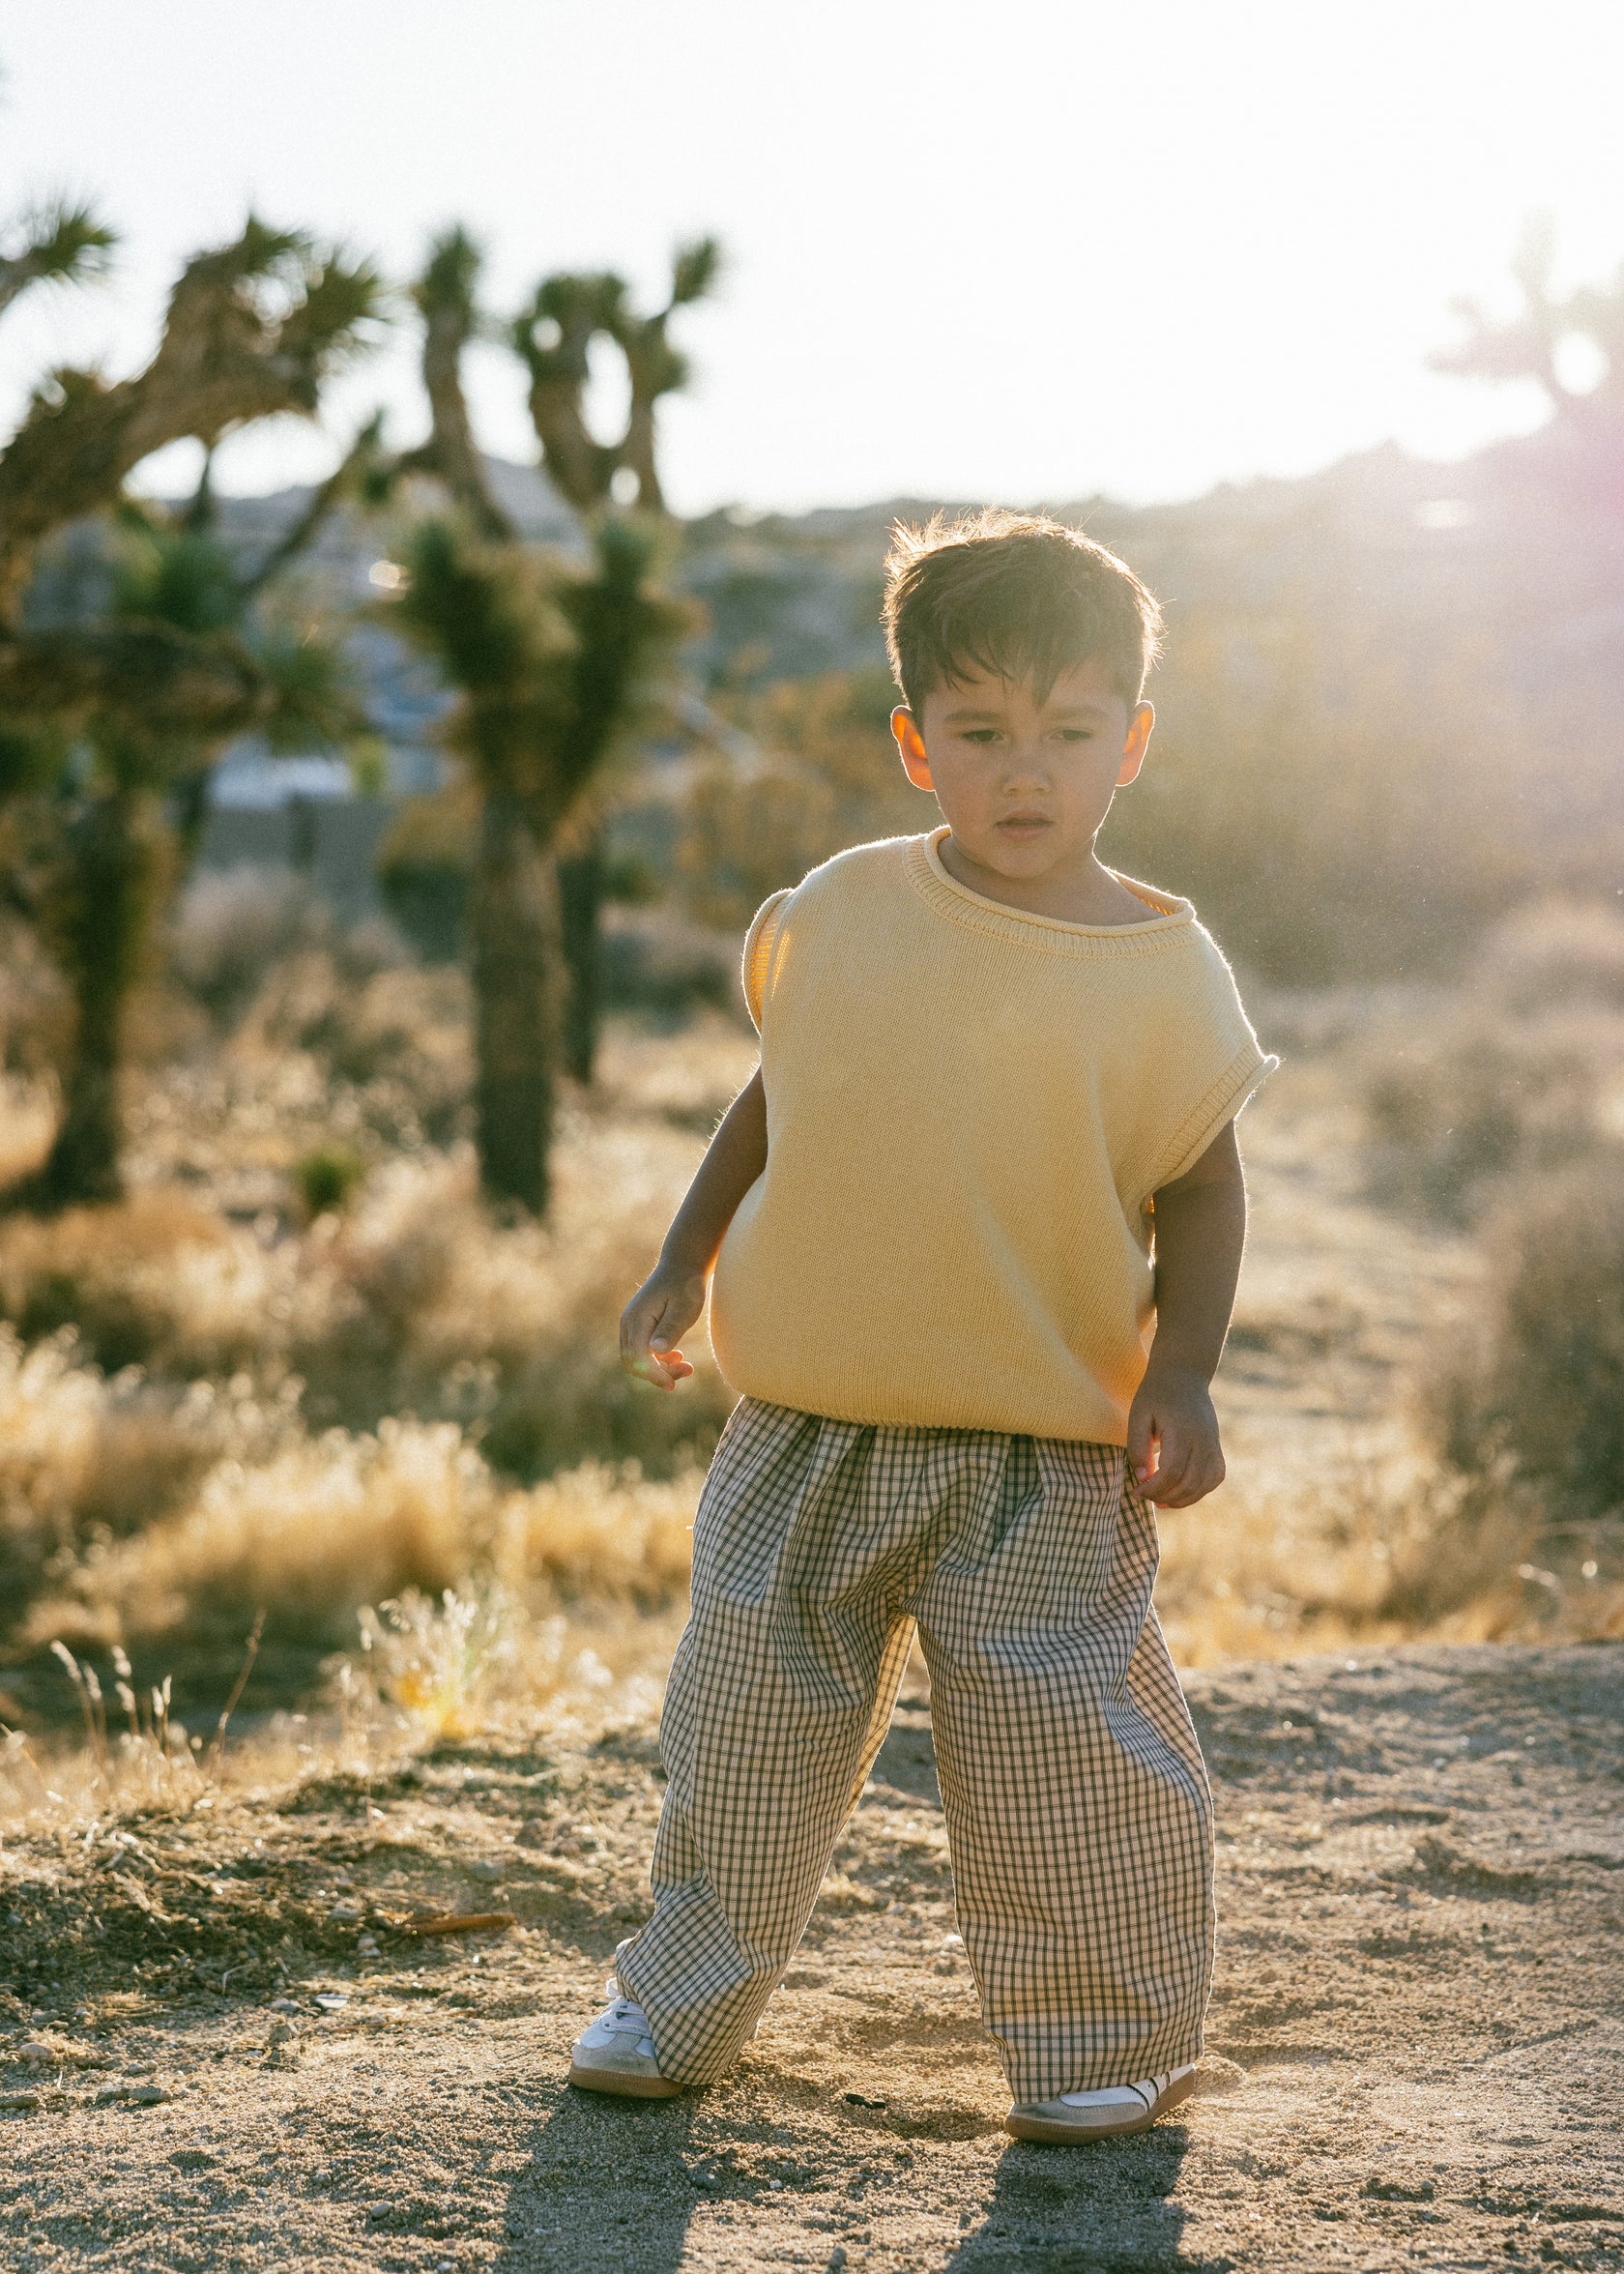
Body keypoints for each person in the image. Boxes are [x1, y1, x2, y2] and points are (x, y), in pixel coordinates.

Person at [570, 510, 1275, 2143]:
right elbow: (776, 1092)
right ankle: (674, 2004)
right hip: (807, 1421)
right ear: (914, 744)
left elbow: (1207, 1189)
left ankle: (1105, 2042)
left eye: (1066, 732)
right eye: (980, 733)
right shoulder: (842, 907)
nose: (1024, 771)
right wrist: (684, 1255)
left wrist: (1185, 1372)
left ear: (1132, 743)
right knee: (741, 1730)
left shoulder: (1166, 972)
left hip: (1040, 1443)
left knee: (1061, 1758)